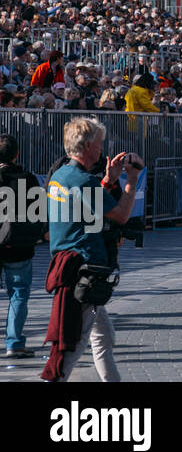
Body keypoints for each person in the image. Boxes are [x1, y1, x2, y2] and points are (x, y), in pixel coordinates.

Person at [42, 117, 143, 382]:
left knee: (104, 337)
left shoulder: (61, 175)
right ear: (87, 146)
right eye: (99, 143)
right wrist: (132, 180)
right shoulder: (83, 180)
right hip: (84, 271)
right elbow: (120, 215)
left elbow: (84, 202)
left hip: (72, 267)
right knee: (71, 346)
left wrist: (109, 179)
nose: (102, 149)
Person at [0, 134, 45, 358]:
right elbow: (38, 210)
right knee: (18, 293)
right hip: (19, 245)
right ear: (17, 154)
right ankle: (14, 342)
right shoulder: (27, 178)